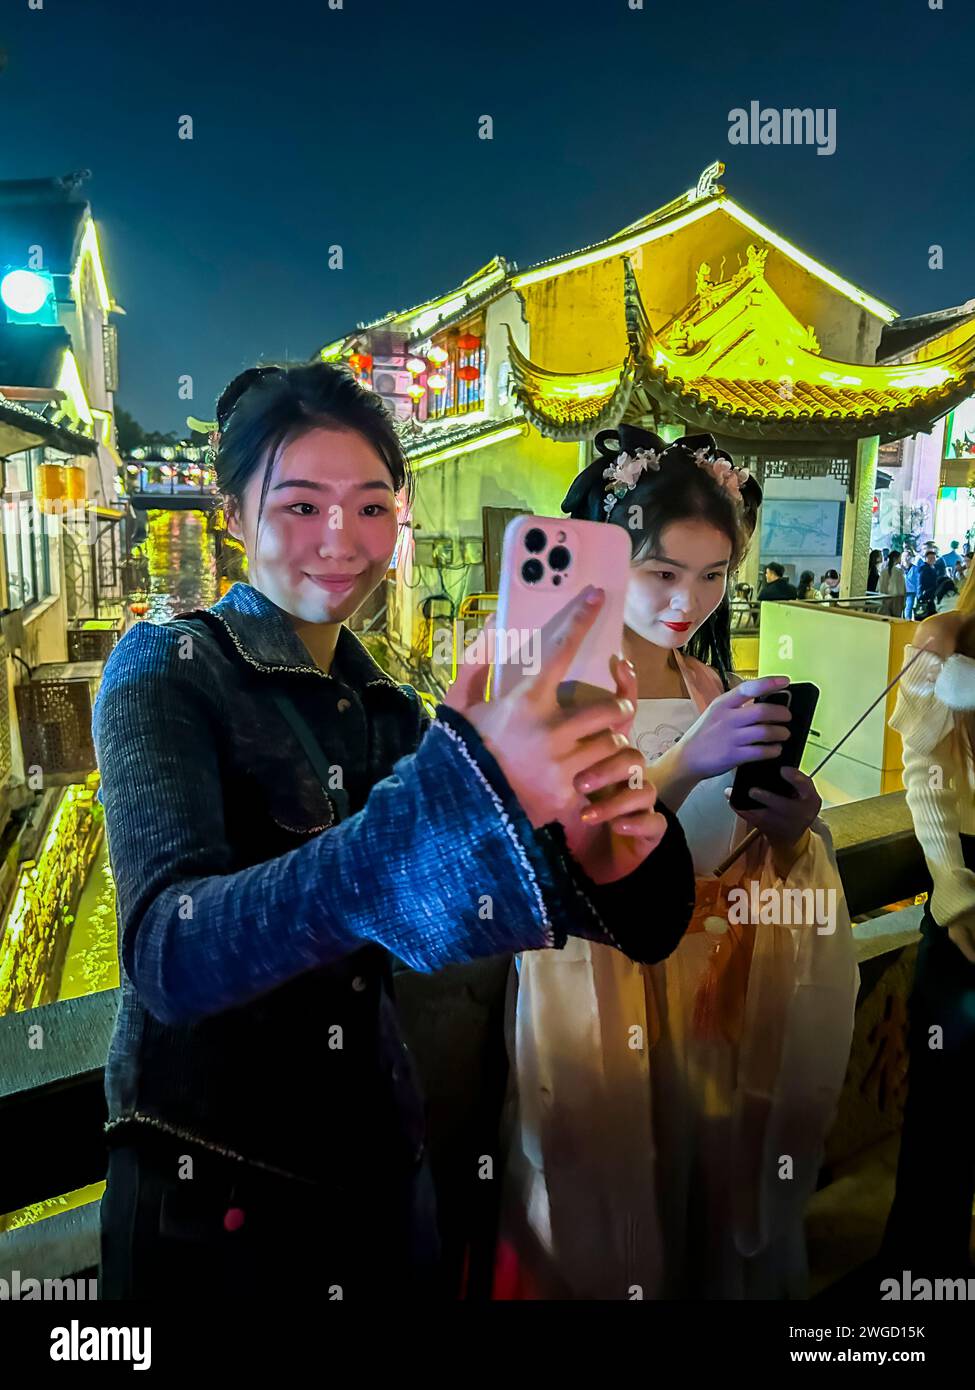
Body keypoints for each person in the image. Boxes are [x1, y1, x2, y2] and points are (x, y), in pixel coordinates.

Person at [93, 363, 695, 1300]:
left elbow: (526, 902)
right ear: (233, 515)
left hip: (384, 1180)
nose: (341, 540)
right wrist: (461, 787)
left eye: (372, 507)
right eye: (299, 506)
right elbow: (171, 954)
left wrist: (609, 849)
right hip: (219, 1199)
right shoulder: (169, 667)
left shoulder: (394, 712)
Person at [495, 425, 858, 1300]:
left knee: (701, 1199)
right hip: (600, 982)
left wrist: (791, 834)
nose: (685, 600)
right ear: (606, 559)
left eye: (711, 575)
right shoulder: (549, 689)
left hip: (710, 994)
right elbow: (552, 856)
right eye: (660, 572)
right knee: (613, 1207)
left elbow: (736, 857)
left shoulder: (708, 687)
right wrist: (688, 759)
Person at [881, 572, 975, 1279]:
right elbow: (923, 768)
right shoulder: (946, 648)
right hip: (965, 895)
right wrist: (952, 891)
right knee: (943, 1118)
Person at [913, 547, 943, 621]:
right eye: (930, 558)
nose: (932, 559)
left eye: (934, 558)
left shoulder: (933, 568)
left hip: (930, 595)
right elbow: (923, 584)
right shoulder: (925, 569)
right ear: (926, 558)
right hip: (926, 596)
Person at [878, 549, 907, 618]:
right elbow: (902, 588)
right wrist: (904, 602)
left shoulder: (883, 571)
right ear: (896, 559)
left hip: (884, 598)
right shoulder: (899, 572)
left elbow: (881, 586)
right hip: (897, 599)